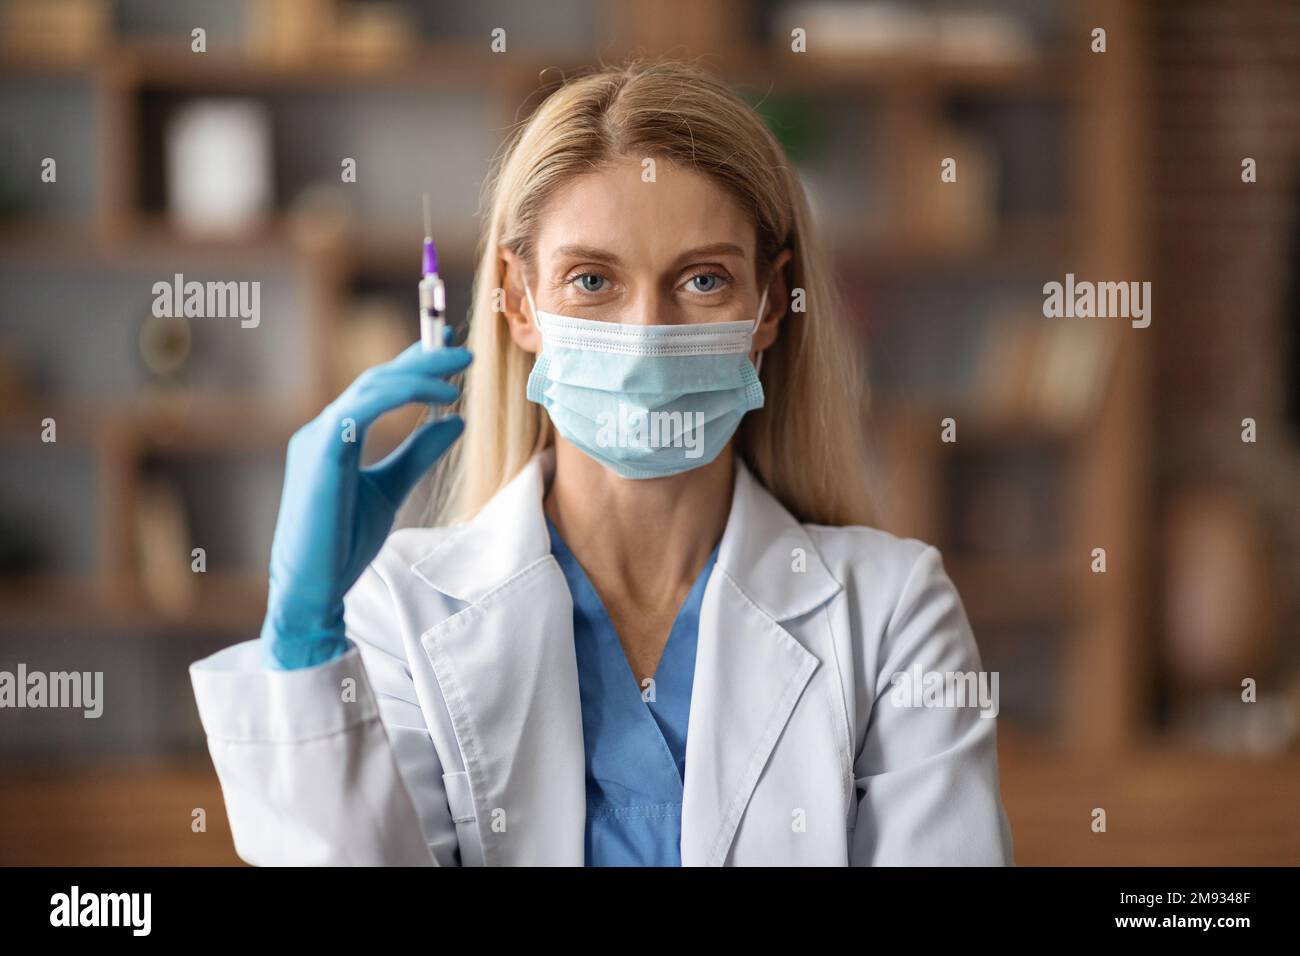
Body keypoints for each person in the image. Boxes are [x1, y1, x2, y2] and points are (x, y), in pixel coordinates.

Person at [190, 58, 1014, 866]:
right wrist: (301, 639)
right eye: (592, 279)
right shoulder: (401, 614)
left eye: (701, 280)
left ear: (771, 305)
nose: (648, 334)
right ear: (517, 304)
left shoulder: (894, 615)